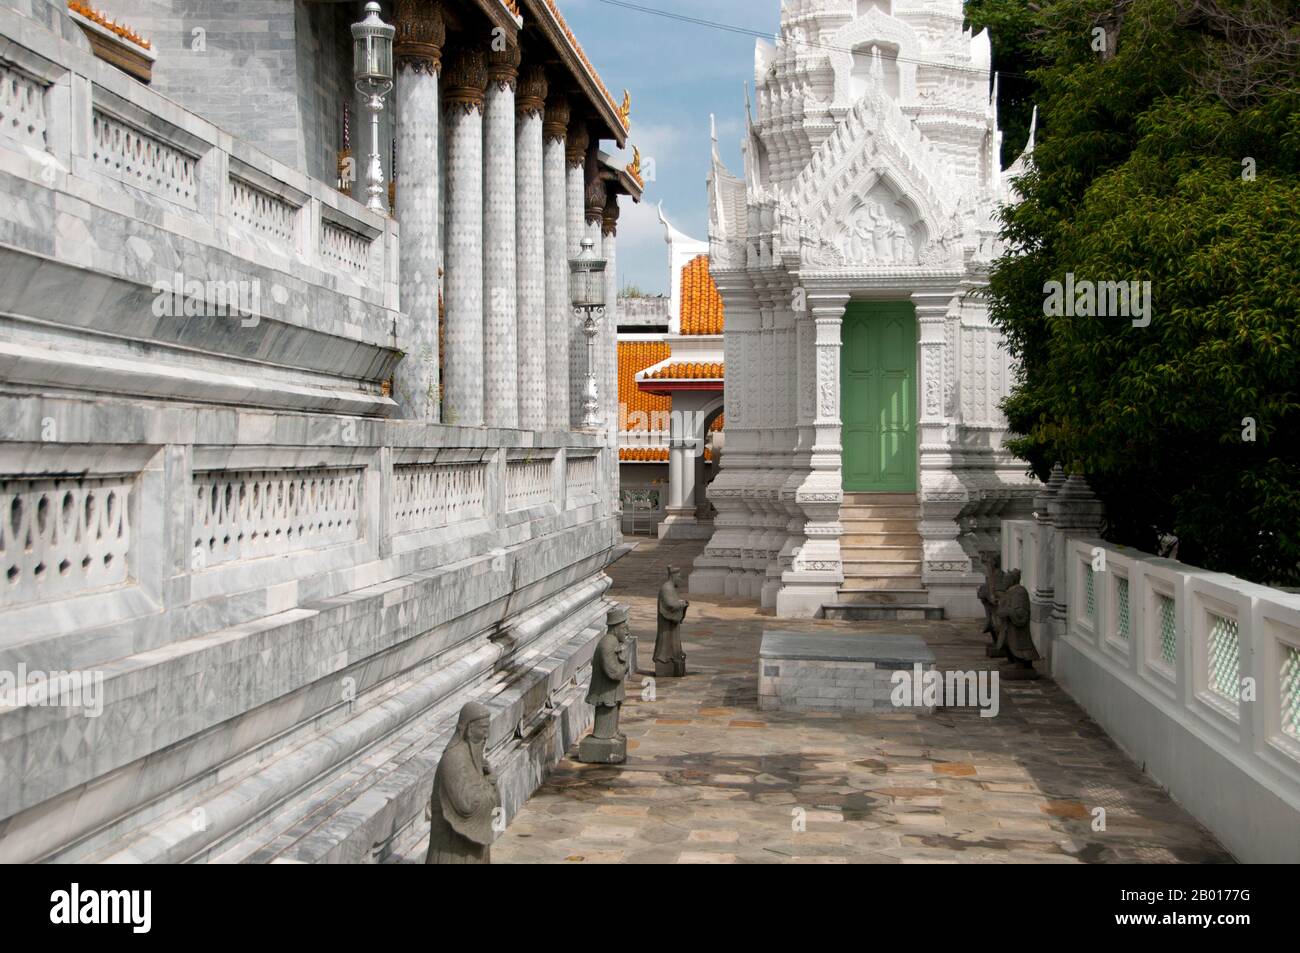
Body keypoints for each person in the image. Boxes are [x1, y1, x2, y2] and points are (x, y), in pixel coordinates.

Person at [424, 701, 500, 864]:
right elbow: (465, 805)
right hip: (452, 847)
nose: (486, 735)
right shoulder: (453, 759)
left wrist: (490, 779)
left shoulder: (474, 754)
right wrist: (490, 783)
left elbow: (480, 789)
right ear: (468, 728)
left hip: (471, 848)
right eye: (483, 728)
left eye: (488, 728)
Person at [654, 566, 689, 677]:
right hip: (666, 624)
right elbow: (670, 604)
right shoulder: (666, 588)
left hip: (671, 624)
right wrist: (682, 604)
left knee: (673, 643)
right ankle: (664, 660)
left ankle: (674, 657)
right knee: (665, 643)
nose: (680, 580)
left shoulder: (671, 588)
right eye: (679, 577)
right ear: (673, 576)